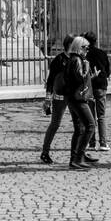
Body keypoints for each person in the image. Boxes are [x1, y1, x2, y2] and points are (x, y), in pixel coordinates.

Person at [65, 36, 97, 171]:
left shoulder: (72, 59)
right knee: (90, 125)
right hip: (78, 98)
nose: (88, 50)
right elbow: (80, 79)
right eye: (86, 48)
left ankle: (75, 159)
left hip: (72, 98)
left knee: (79, 129)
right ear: (80, 48)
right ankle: (78, 157)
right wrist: (87, 68)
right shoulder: (77, 60)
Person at [40, 35, 72, 164]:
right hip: (60, 97)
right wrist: (48, 98)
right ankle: (45, 152)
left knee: (80, 125)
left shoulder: (78, 58)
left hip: (74, 96)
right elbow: (51, 80)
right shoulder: (59, 60)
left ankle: (79, 152)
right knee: (55, 124)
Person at [84, 31, 111, 152]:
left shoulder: (85, 55)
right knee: (101, 115)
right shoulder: (102, 53)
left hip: (89, 87)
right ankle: (103, 143)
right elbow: (108, 71)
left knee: (90, 116)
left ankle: (91, 143)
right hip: (101, 86)